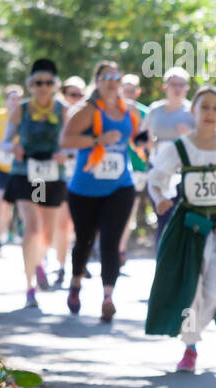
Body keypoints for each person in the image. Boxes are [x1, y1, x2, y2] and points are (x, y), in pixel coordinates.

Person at [144, 86, 216, 372]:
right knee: (189, 288)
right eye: (204, 107)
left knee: (215, 292)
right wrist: (159, 200)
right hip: (187, 226)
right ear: (193, 110)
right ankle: (190, 346)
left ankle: (193, 333)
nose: (210, 113)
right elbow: (154, 180)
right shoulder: (180, 148)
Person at [59, 61, 145, 322]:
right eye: (105, 77)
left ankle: (108, 297)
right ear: (96, 82)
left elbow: (135, 138)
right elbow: (65, 141)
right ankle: (75, 284)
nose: (111, 82)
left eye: (115, 77)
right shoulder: (86, 110)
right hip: (85, 187)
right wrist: (97, 140)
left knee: (110, 241)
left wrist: (144, 143)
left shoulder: (129, 111)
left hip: (120, 186)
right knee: (84, 240)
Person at [5, 60, 67, 307]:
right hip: (25, 173)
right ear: (30, 85)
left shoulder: (62, 109)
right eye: (38, 82)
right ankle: (30, 286)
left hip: (49, 176)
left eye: (48, 82)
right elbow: (5, 142)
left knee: (46, 234)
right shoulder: (20, 109)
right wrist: (14, 147)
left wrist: (65, 153)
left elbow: (69, 142)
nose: (43, 87)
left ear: (55, 85)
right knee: (32, 228)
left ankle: (39, 261)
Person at [143, 66, 196, 243]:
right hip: (158, 169)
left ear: (187, 88)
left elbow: (204, 143)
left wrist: (188, 135)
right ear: (165, 86)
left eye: (182, 84)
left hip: (184, 172)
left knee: (181, 217)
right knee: (163, 216)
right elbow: (140, 137)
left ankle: (181, 260)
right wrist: (146, 144)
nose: (178, 88)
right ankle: (163, 261)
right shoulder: (155, 111)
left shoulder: (193, 113)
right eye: (174, 84)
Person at [50, 77, 87, 284]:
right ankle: (61, 266)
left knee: (78, 225)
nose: (77, 99)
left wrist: (71, 156)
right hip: (55, 177)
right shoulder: (56, 117)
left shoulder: (89, 117)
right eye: (73, 94)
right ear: (64, 95)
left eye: (81, 94)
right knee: (61, 224)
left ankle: (76, 262)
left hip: (82, 176)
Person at [117, 73, 151, 261]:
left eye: (132, 90)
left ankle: (120, 250)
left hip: (137, 169)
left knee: (129, 210)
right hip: (115, 169)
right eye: (125, 90)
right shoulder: (112, 111)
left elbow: (144, 144)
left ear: (137, 92)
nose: (128, 94)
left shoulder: (145, 113)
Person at [0, 84, 24, 252]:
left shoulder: (24, 118)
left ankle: (0, 234)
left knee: (6, 204)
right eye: (12, 98)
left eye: (18, 99)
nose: (15, 102)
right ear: (6, 101)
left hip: (15, 167)